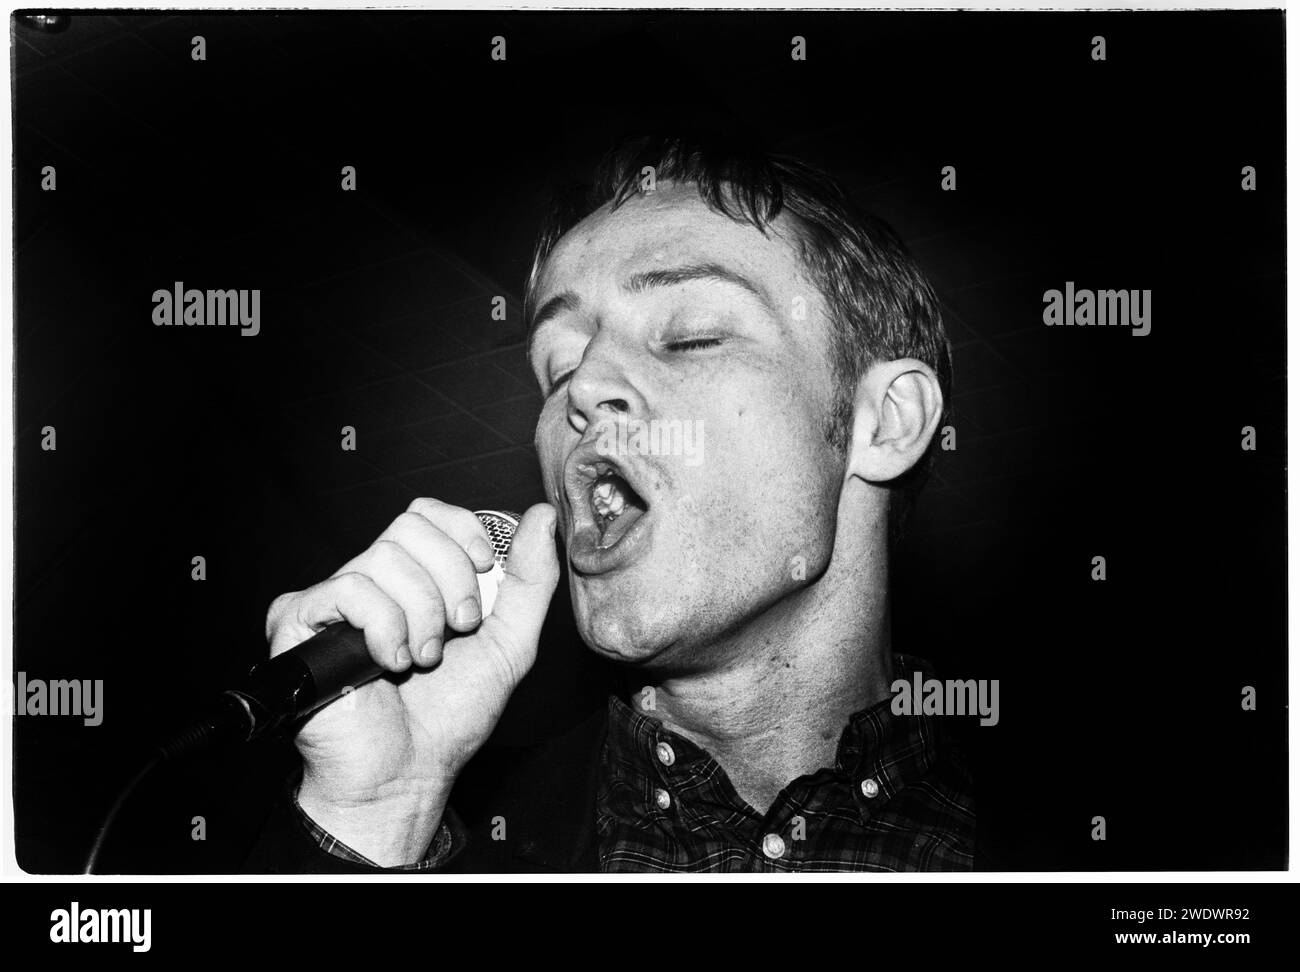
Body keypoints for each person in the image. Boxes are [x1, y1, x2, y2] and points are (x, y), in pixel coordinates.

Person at [245, 135, 974, 872]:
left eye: (691, 336)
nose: (585, 387)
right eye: (558, 367)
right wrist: (371, 820)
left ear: (887, 422)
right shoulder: (469, 848)